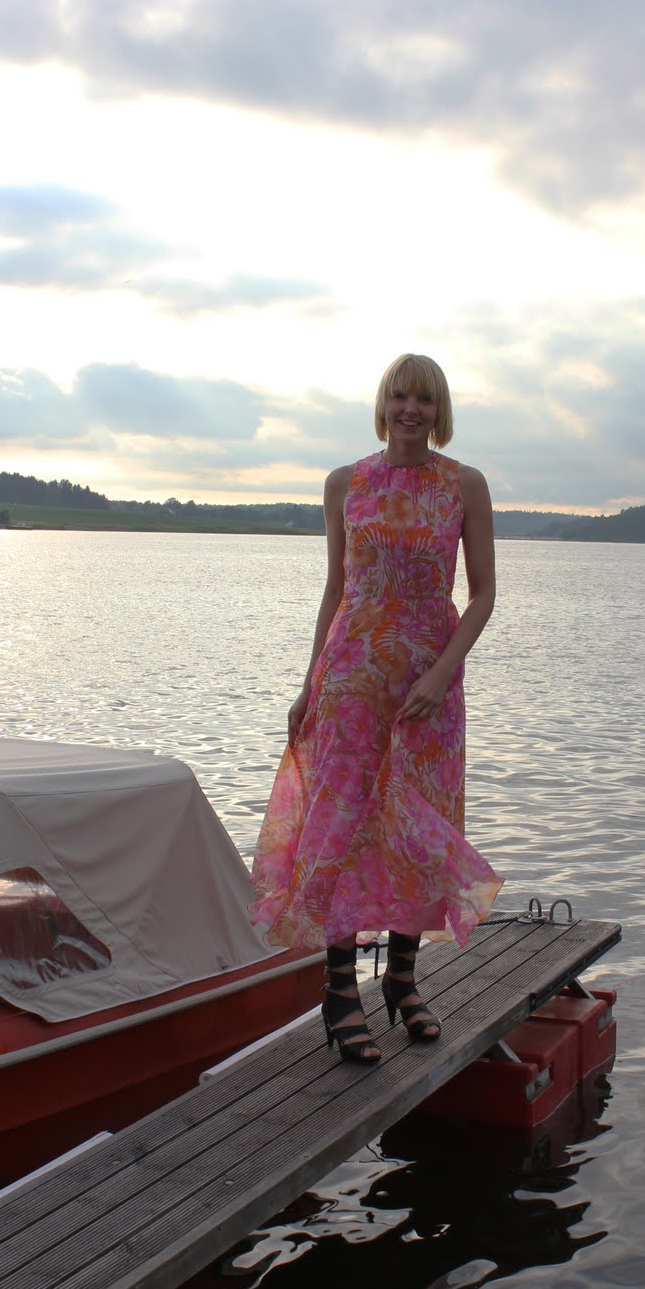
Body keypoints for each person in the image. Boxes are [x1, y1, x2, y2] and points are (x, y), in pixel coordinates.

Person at [250, 353, 502, 1063]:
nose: (410, 410)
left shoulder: (464, 485)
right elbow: (335, 590)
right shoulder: (345, 483)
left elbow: (482, 594)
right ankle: (338, 995)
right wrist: (308, 683)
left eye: (423, 399)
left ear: (439, 409)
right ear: (383, 402)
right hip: (350, 678)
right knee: (341, 822)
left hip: (427, 684)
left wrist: (442, 673)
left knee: (413, 828)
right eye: (399, 396)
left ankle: (400, 980)